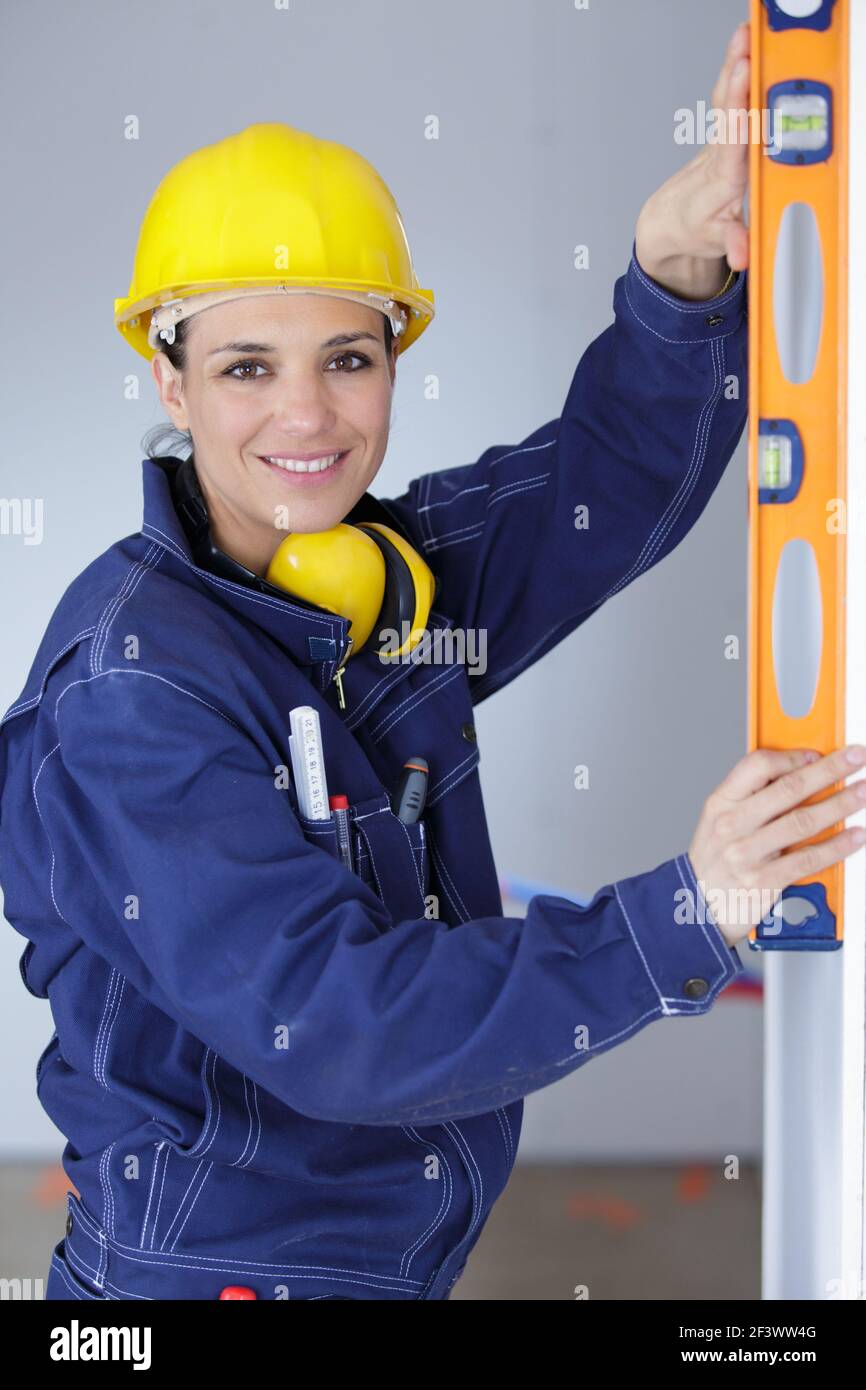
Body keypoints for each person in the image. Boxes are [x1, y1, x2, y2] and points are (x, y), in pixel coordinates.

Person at [3, 37, 865, 1304]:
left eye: (346, 358)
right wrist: (688, 907)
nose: (308, 418)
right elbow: (345, 1022)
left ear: (393, 363)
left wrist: (675, 280)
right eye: (248, 367)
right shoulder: (132, 701)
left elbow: (596, 488)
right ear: (168, 383)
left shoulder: (366, 582)